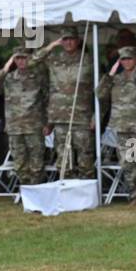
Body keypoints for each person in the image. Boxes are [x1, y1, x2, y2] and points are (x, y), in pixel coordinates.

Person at [31, 27, 95, 178]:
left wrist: (96, 116)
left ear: (78, 41)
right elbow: (32, 60)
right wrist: (51, 46)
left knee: (85, 157)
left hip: (82, 116)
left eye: (71, 39)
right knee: (63, 158)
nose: (68, 42)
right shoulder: (54, 59)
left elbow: (98, 89)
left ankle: (86, 194)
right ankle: (66, 192)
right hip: (59, 118)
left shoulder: (88, 60)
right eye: (64, 39)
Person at [95, 45, 136, 206]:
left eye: (129, 58)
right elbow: (100, 94)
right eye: (123, 59)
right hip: (122, 127)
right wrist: (110, 73)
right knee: (128, 163)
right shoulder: (116, 79)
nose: (126, 62)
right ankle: (134, 195)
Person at [0, 46, 48, 186]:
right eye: (17, 58)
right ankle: (26, 191)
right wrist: (5, 68)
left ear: (30, 58)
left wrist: (48, 123)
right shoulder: (9, 78)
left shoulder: (38, 78)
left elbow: (47, 100)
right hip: (14, 128)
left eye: (24, 57)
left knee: (37, 162)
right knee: (19, 163)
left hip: (34, 126)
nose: (21, 61)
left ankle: (37, 191)